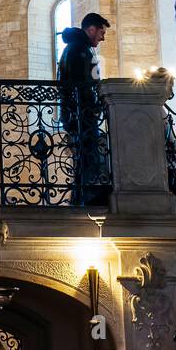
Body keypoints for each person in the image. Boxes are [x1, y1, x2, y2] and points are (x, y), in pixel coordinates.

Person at [57, 13, 111, 206]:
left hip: (82, 112)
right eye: (101, 32)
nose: (102, 37)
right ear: (91, 29)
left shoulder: (80, 48)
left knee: (86, 156)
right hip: (80, 113)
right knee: (87, 155)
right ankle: (87, 196)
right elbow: (81, 83)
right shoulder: (77, 49)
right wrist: (91, 106)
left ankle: (83, 195)